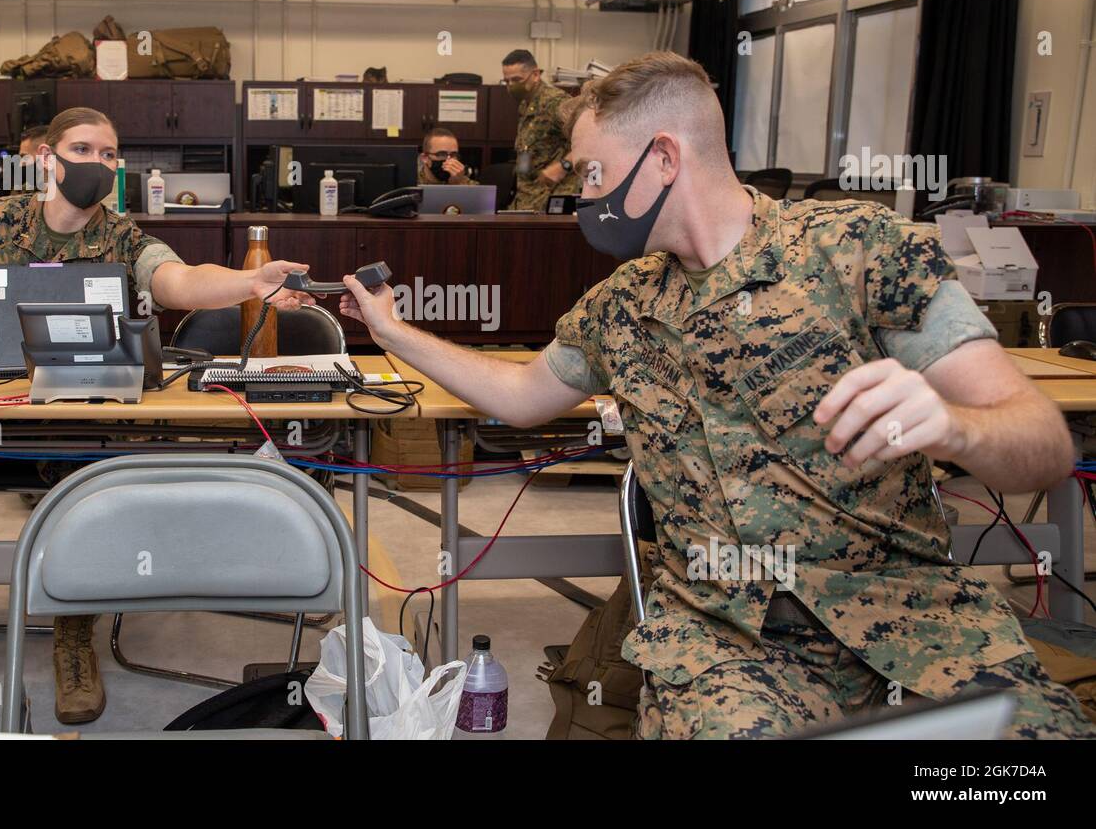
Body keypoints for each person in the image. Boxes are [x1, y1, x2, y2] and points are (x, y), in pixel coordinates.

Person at [340, 51, 1094, 739]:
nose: (584, 198)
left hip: (915, 621)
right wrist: (394, 333)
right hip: (728, 643)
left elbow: (1041, 447)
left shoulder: (862, 252)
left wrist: (954, 427)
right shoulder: (623, 304)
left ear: (663, 158)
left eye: (594, 174)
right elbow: (519, 395)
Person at [0, 106, 313, 735]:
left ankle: (73, 639)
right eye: (84, 148)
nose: (99, 163)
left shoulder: (121, 236)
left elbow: (178, 280)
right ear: (48, 157)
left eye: (110, 154)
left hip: (77, 414)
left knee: (93, 482)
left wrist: (248, 281)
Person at [501, 48, 577, 212]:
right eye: (507, 81)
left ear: (535, 74)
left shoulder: (555, 102)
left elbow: (591, 139)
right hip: (528, 197)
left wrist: (562, 167)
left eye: (517, 80)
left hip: (552, 197)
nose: (511, 86)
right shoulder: (524, 103)